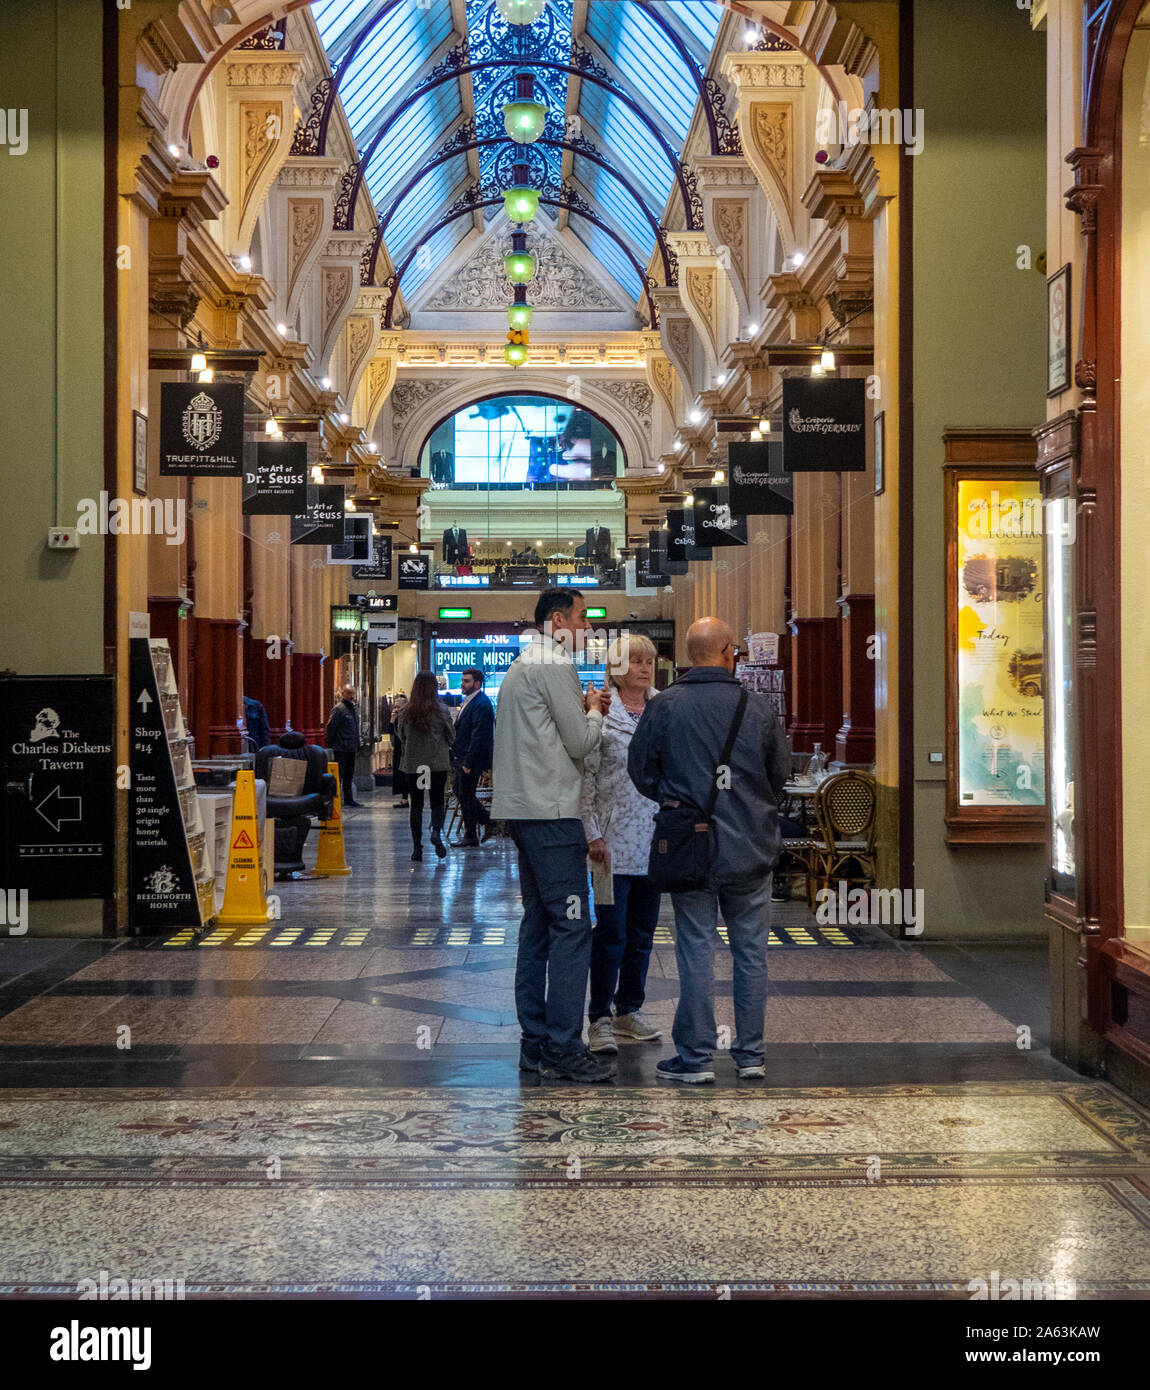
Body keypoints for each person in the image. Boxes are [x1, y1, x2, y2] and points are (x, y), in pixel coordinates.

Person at [628, 617, 787, 1084]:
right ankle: (751, 1054)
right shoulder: (755, 707)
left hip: (689, 848)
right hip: (751, 848)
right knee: (751, 951)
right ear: (725, 651)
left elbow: (641, 769)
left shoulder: (666, 705)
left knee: (696, 949)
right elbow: (777, 774)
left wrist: (674, 800)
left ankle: (696, 1058)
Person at [492, 587, 612, 1083]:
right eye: (584, 618)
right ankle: (564, 1046)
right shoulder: (554, 665)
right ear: (559, 619)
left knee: (539, 925)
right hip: (554, 815)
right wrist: (594, 709)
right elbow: (582, 742)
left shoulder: (521, 666)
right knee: (572, 926)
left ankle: (534, 1043)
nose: (588, 628)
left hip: (523, 813)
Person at [580, 632, 663, 1054]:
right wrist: (591, 831)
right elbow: (587, 777)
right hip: (610, 843)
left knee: (642, 934)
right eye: (635, 662)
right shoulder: (602, 711)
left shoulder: (663, 708)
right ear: (617, 667)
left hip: (654, 839)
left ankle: (629, 1009)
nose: (645, 668)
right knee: (610, 934)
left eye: (649, 661)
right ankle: (599, 1018)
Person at [396, 672, 455, 861]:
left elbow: (401, 736)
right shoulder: (442, 710)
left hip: (416, 766)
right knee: (437, 802)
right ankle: (436, 831)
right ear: (434, 687)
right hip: (436, 764)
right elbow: (451, 736)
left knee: (417, 805)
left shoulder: (406, 712)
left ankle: (417, 848)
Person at [451, 667, 495, 848]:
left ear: (477, 683)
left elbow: (479, 735)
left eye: (467, 681)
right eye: (462, 681)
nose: (463, 684)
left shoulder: (481, 704)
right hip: (463, 756)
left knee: (465, 794)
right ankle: (481, 825)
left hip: (471, 759)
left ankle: (478, 828)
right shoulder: (471, 701)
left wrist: (469, 761)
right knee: (461, 792)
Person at [325, 684, 361, 808]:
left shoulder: (353, 709)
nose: (351, 696)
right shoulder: (339, 709)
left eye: (353, 693)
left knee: (349, 774)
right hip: (341, 747)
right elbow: (331, 728)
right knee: (339, 775)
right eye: (349, 693)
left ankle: (349, 799)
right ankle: (335, 800)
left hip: (351, 747)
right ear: (343, 694)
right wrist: (331, 744)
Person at [389, 694, 409, 808]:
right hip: (398, 749)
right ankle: (403, 798)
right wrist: (392, 720)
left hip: (405, 750)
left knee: (405, 774)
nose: (396, 709)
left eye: (398, 706)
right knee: (399, 773)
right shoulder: (396, 718)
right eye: (395, 706)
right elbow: (391, 732)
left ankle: (405, 798)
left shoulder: (406, 718)